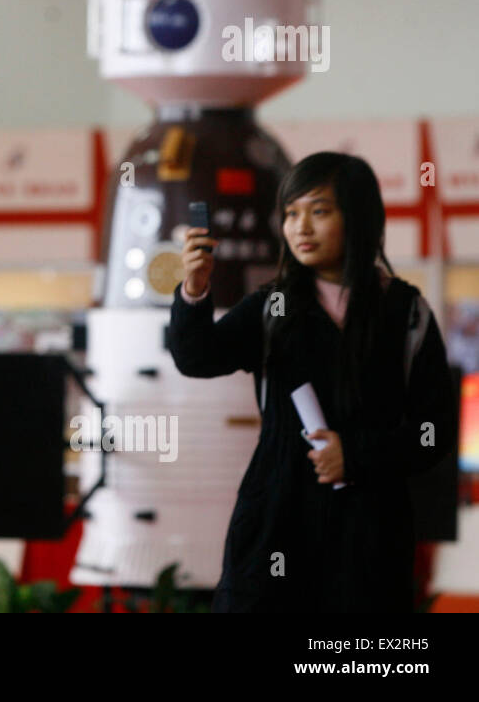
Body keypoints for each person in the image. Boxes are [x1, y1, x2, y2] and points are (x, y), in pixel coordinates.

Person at [169, 152, 455, 612]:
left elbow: (433, 432)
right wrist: (195, 290)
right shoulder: (273, 307)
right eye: (291, 213)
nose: (300, 228)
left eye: (319, 211)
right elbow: (197, 357)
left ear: (359, 218)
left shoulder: (406, 314)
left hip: (368, 539)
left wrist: (356, 455)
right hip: (275, 527)